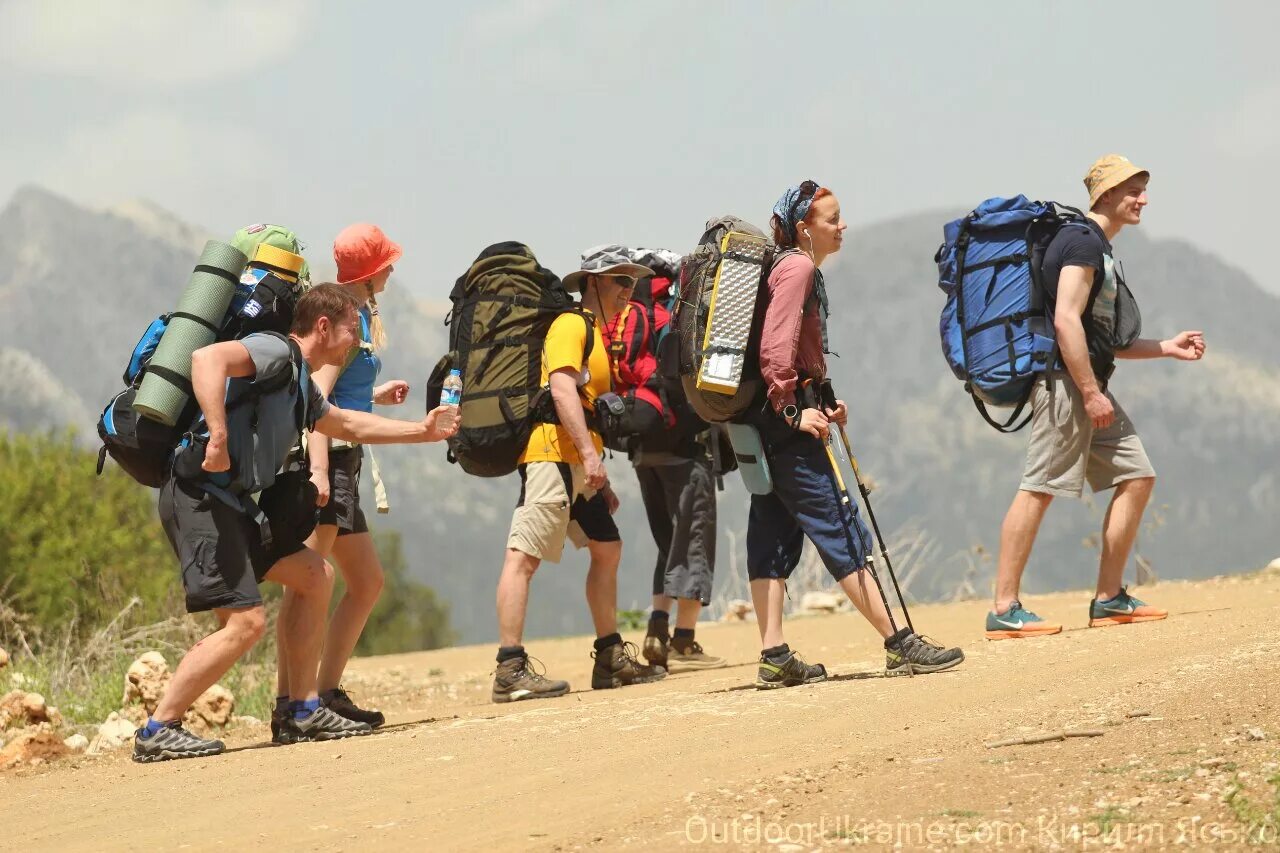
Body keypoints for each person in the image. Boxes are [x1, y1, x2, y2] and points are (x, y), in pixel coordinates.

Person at [134, 284, 458, 762]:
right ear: (323, 327)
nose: (355, 339)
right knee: (246, 623)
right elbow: (205, 360)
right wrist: (218, 436)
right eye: (351, 329)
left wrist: (422, 431)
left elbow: (347, 425)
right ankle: (158, 728)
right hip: (199, 498)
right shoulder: (274, 350)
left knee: (315, 575)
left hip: (232, 501)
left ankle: (301, 711)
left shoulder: (299, 383)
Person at [745, 180, 966, 687]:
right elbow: (776, 349)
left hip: (767, 421)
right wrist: (791, 413)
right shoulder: (797, 267)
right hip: (784, 423)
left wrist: (818, 400)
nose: (842, 226)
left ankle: (774, 654)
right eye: (832, 219)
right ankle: (899, 644)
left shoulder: (783, 268)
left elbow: (790, 353)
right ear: (805, 227)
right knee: (840, 527)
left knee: (772, 530)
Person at [986, 155, 1206, 639]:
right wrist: (1089, 392)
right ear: (1104, 194)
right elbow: (1066, 319)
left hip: (1086, 384)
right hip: (1067, 385)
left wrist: (1166, 348)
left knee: (1137, 476)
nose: (1142, 198)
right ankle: (1004, 607)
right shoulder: (1082, 241)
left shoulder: (1095, 245)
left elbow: (1102, 337)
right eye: (1133, 189)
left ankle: (1109, 599)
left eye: (1144, 188)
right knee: (1039, 487)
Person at [491, 247, 667, 703]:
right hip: (551, 454)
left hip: (575, 460)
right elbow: (562, 388)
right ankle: (509, 667)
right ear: (592, 282)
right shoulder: (571, 324)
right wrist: (591, 459)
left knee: (607, 548)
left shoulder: (592, 331)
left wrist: (595, 470)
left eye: (632, 283)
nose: (629, 291)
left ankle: (609, 658)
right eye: (618, 281)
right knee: (523, 557)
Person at [272, 224, 410, 736]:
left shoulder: (356, 314)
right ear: (372, 271)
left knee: (366, 582)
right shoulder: (348, 320)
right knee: (311, 583)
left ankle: (321, 692)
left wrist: (374, 397)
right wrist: (320, 470)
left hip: (343, 459)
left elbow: (332, 398)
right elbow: (315, 400)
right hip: (331, 463)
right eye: (388, 264)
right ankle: (294, 704)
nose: (393, 271)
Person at [603, 247, 725, 672]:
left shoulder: (624, 317)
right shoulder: (673, 316)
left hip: (641, 447)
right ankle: (682, 641)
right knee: (693, 541)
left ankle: (659, 629)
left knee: (666, 543)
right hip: (682, 446)